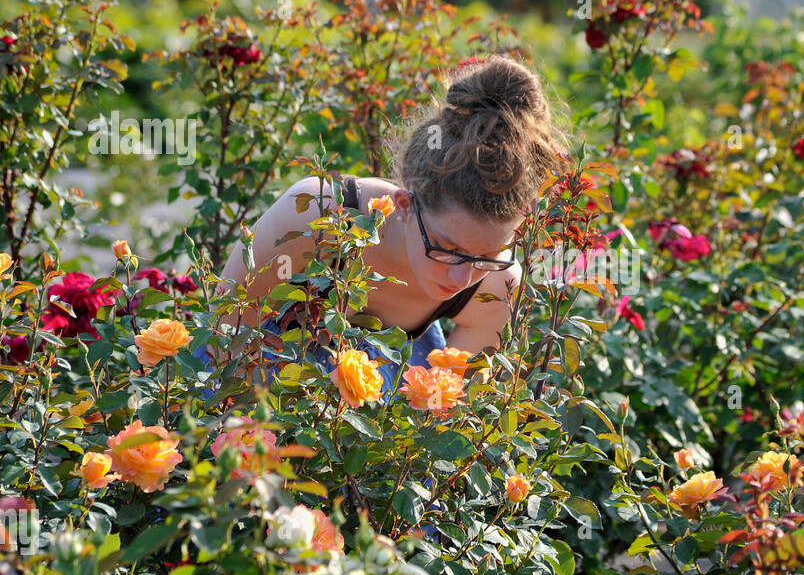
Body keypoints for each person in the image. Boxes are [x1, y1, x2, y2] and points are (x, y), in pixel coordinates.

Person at [211, 55, 568, 393]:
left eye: (487, 255)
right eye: (448, 249)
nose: (462, 279)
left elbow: (444, 420)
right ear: (403, 205)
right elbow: (221, 334)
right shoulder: (317, 217)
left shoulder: (496, 287)